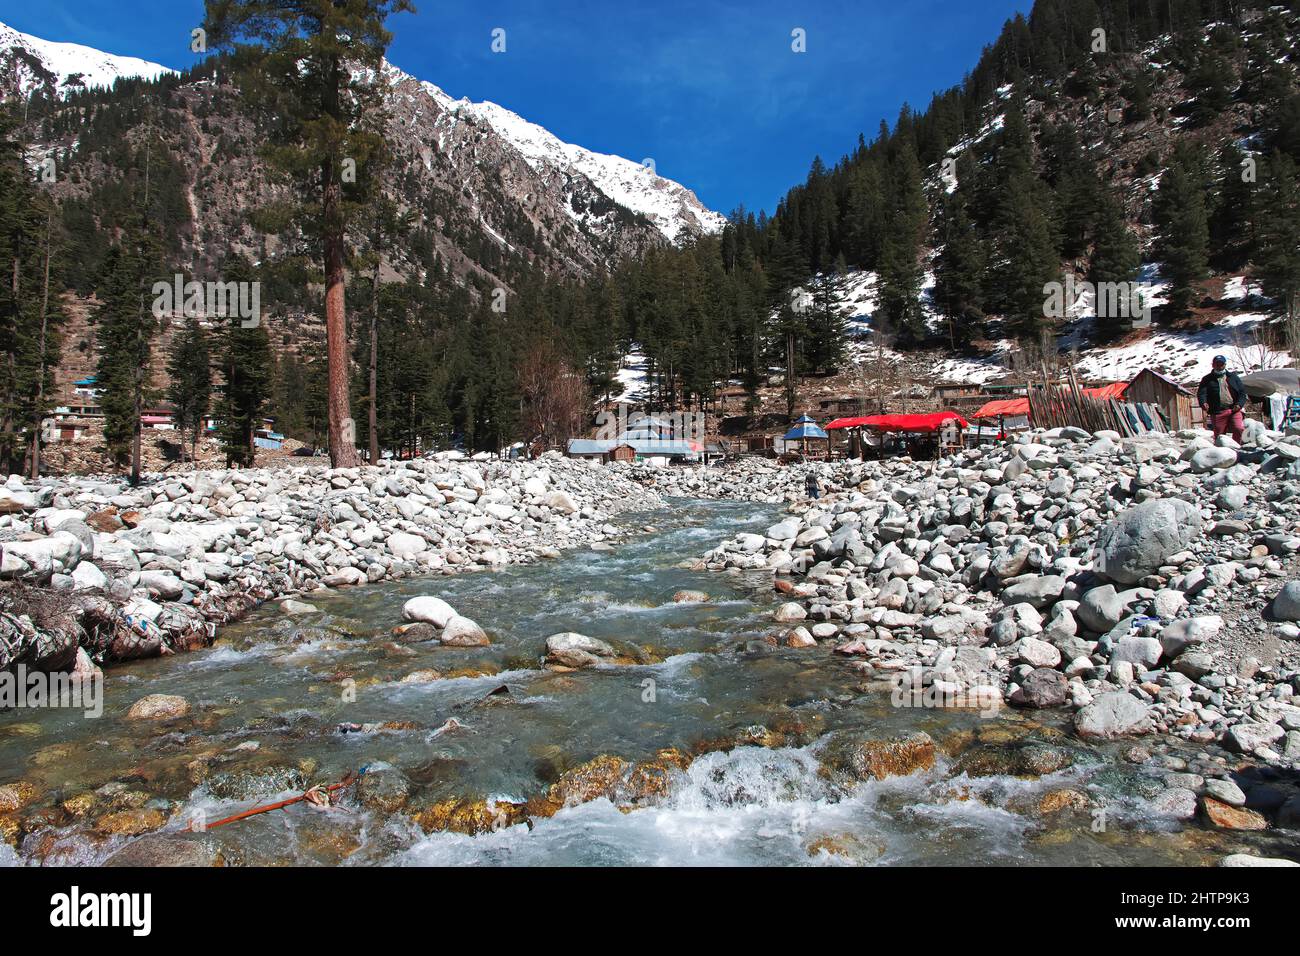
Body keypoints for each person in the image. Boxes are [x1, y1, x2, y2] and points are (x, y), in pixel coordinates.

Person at [1197, 355, 1247, 442]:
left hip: (1234, 409)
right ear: (1213, 365)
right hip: (1217, 411)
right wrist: (1203, 403)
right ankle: (1222, 453)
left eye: (1221, 364)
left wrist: (1239, 404)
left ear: (1225, 365)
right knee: (1219, 435)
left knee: (1239, 428)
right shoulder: (1207, 379)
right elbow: (1202, 393)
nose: (1219, 366)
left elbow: (1242, 393)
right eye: (1217, 364)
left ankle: (1237, 448)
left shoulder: (1233, 377)